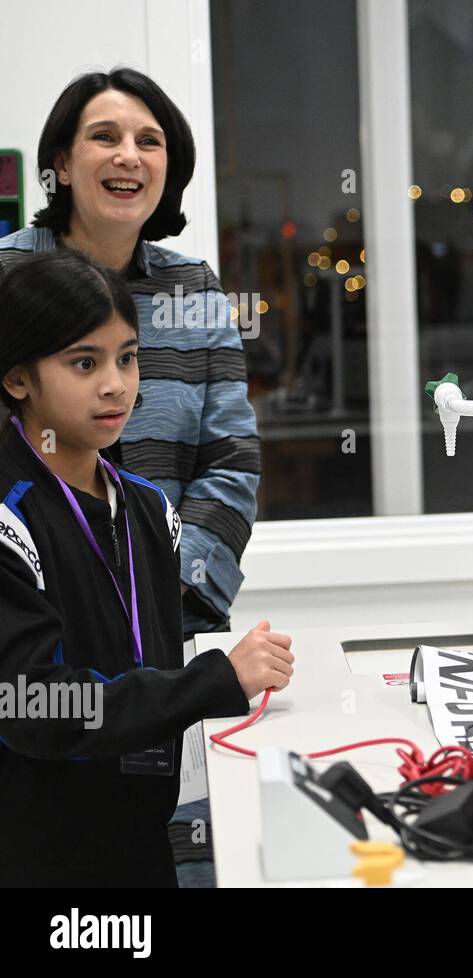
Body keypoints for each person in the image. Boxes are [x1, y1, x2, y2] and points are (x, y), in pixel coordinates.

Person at [0, 66, 264, 883]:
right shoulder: (7, 281)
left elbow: (231, 458)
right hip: (40, 601)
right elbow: (37, 705)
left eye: (149, 141)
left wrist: (165, 589)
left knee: (143, 840)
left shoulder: (195, 292)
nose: (129, 156)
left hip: (157, 610)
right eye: (105, 137)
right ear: (59, 163)